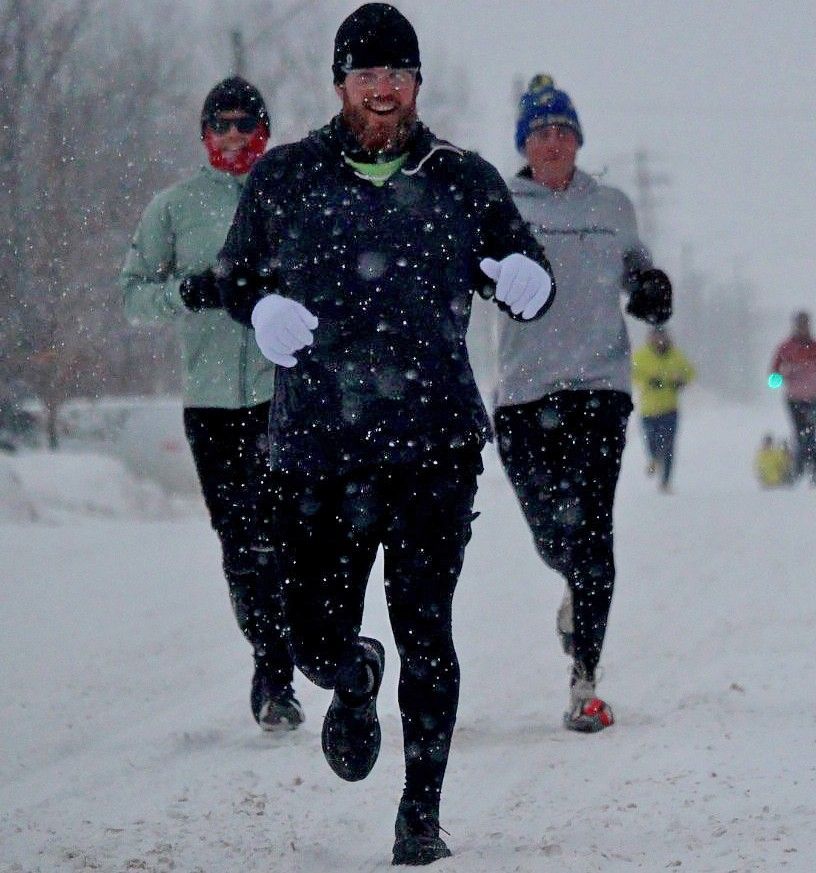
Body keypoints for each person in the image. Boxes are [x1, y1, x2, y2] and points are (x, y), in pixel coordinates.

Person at [217, 5, 554, 865]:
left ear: (415, 84)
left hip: (434, 442)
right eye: (365, 74)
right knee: (309, 637)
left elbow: (523, 276)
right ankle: (351, 673)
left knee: (426, 624)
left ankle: (420, 814)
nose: (381, 89)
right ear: (339, 84)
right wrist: (261, 308)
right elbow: (234, 275)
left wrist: (526, 278)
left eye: (396, 73)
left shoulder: (462, 179)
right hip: (318, 445)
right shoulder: (288, 177)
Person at [120, 77, 303, 733]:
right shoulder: (174, 207)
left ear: (264, 132)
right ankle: (271, 667)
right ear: (204, 134)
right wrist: (188, 292)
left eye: (244, 124)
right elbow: (133, 294)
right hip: (210, 404)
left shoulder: (290, 193)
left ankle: (302, 653)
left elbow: (329, 280)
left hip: (282, 394)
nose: (232, 136)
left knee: (290, 535)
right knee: (239, 543)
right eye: (220, 125)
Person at [492, 75, 672, 734]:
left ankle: (584, 681)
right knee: (552, 534)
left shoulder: (613, 205)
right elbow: (465, 274)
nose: (554, 141)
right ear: (524, 143)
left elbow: (639, 272)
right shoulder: (500, 203)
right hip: (524, 393)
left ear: (578, 139)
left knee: (594, 532)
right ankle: (574, 588)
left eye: (564, 130)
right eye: (541, 131)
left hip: (599, 390)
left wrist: (652, 289)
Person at [769, 311, 816, 485]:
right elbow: (774, 370)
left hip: (814, 396)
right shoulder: (786, 348)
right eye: (800, 324)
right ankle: (799, 468)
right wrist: (783, 375)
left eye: (805, 324)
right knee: (800, 433)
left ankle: (813, 471)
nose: (803, 328)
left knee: (811, 433)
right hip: (794, 398)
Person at [632, 326, 695, 493]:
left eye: (662, 337)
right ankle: (653, 459)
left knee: (668, 444)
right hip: (648, 409)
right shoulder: (641, 355)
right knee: (650, 440)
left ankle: (665, 482)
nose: (659, 340)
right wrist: (648, 381)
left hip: (669, 408)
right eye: (656, 337)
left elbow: (690, 372)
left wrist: (681, 381)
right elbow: (633, 374)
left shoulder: (675, 355)